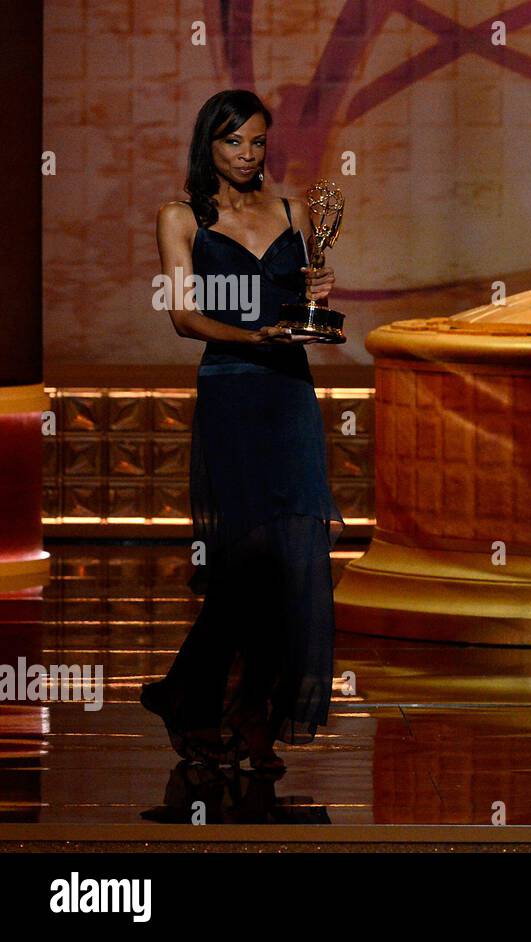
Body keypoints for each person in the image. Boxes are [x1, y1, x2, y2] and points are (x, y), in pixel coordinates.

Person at [141, 89, 344, 774]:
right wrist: (256, 335)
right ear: (210, 144)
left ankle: (248, 708)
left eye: (258, 142)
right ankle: (196, 695)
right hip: (232, 392)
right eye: (234, 143)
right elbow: (183, 317)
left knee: (295, 558)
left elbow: (307, 303)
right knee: (245, 562)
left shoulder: (290, 211)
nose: (248, 154)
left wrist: (317, 296)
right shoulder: (182, 218)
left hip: (288, 394)